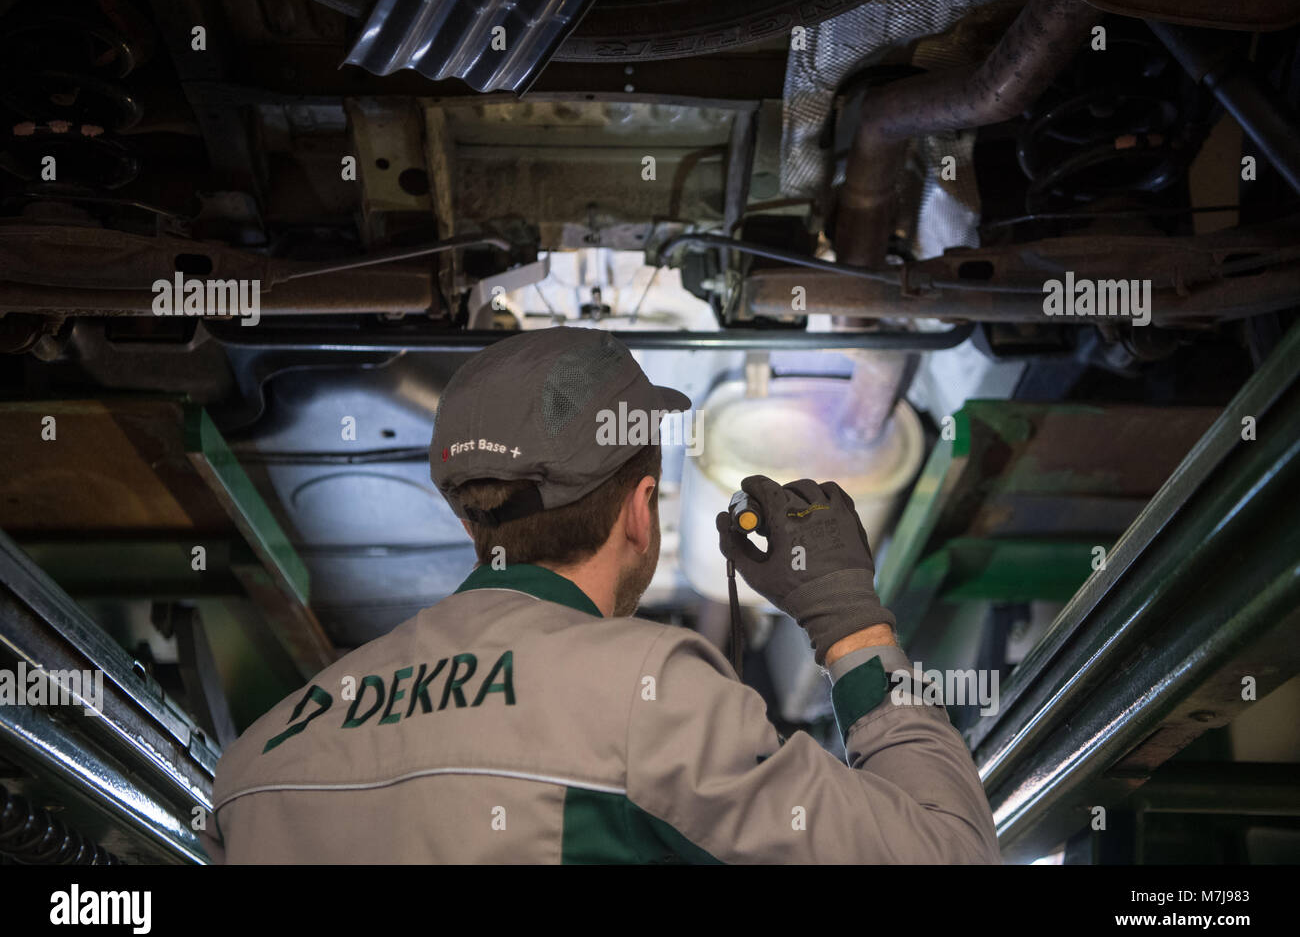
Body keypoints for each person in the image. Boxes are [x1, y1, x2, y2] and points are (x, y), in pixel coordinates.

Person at [201, 326, 1000, 863]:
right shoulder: (650, 702)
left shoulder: (259, 760)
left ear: (472, 517)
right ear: (641, 511)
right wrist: (847, 619)